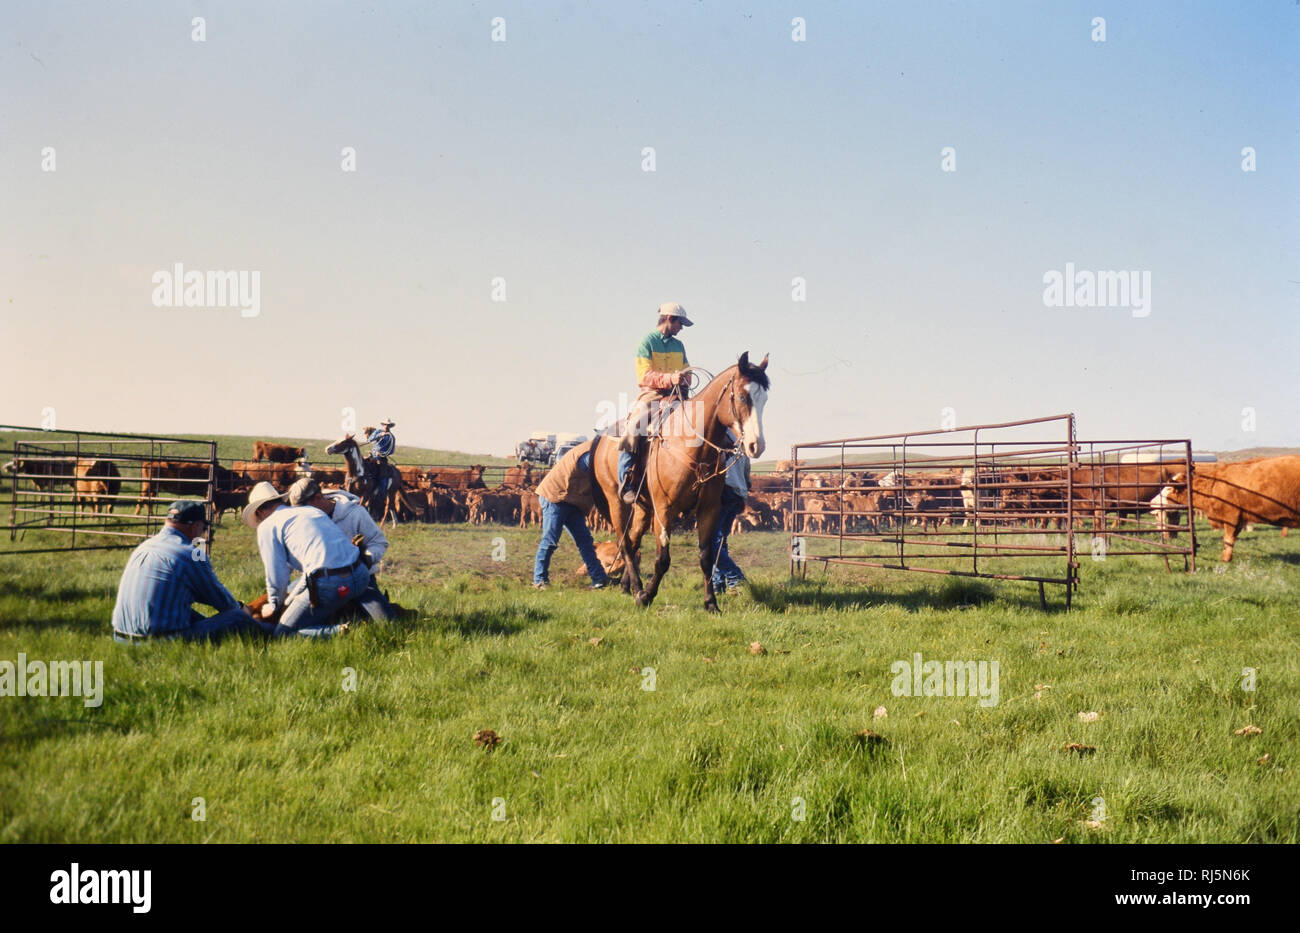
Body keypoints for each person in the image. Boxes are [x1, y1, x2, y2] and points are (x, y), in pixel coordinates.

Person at [110, 501, 264, 644]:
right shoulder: (190, 554)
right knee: (237, 617)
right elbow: (223, 603)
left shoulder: (144, 547)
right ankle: (278, 635)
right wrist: (243, 609)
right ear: (195, 526)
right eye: (203, 528)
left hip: (121, 637)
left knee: (186, 611)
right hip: (161, 640)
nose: (202, 533)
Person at [243, 481, 368, 638]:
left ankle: (336, 632)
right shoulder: (310, 511)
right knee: (299, 589)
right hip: (361, 576)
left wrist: (274, 605)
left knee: (282, 633)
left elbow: (277, 573)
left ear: (260, 511)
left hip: (329, 584)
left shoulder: (267, 526)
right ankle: (351, 617)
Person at [288, 477, 395, 621]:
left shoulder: (355, 513)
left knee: (387, 622)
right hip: (321, 582)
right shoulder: (307, 520)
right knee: (287, 609)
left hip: (361, 580)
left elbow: (379, 542)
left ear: (318, 498)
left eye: (305, 509)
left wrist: (365, 559)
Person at [618, 302, 693, 504]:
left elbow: (688, 373)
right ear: (669, 319)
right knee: (635, 426)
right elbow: (644, 376)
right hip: (653, 395)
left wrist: (684, 379)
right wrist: (670, 379)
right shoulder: (647, 342)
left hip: (677, 396)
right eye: (680, 323)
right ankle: (626, 481)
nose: (681, 328)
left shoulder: (679, 346)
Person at [533, 438, 610, 590]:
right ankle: (539, 579)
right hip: (556, 496)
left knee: (585, 541)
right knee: (550, 540)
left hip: (573, 500)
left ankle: (599, 578)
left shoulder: (599, 450)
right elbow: (599, 473)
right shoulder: (591, 454)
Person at [711, 435, 751, 592]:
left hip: (723, 492)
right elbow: (747, 474)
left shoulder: (717, 441)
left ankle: (735, 577)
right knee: (721, 539)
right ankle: (717, 583)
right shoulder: (741, 444)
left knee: (710, 542)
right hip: (738, 495)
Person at [366, 419, 397, 502]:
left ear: (390, 426)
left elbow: (392, 450)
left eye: (388, 425)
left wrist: (382, 454)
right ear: (383, 425)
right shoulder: (377, 432)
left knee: (382, 476)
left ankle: (382, 495)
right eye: (385, 425)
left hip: (382, 459)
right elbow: (369, 440)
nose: (386, 426)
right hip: (372, 456)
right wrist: (379, 435)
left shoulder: (391, 437)